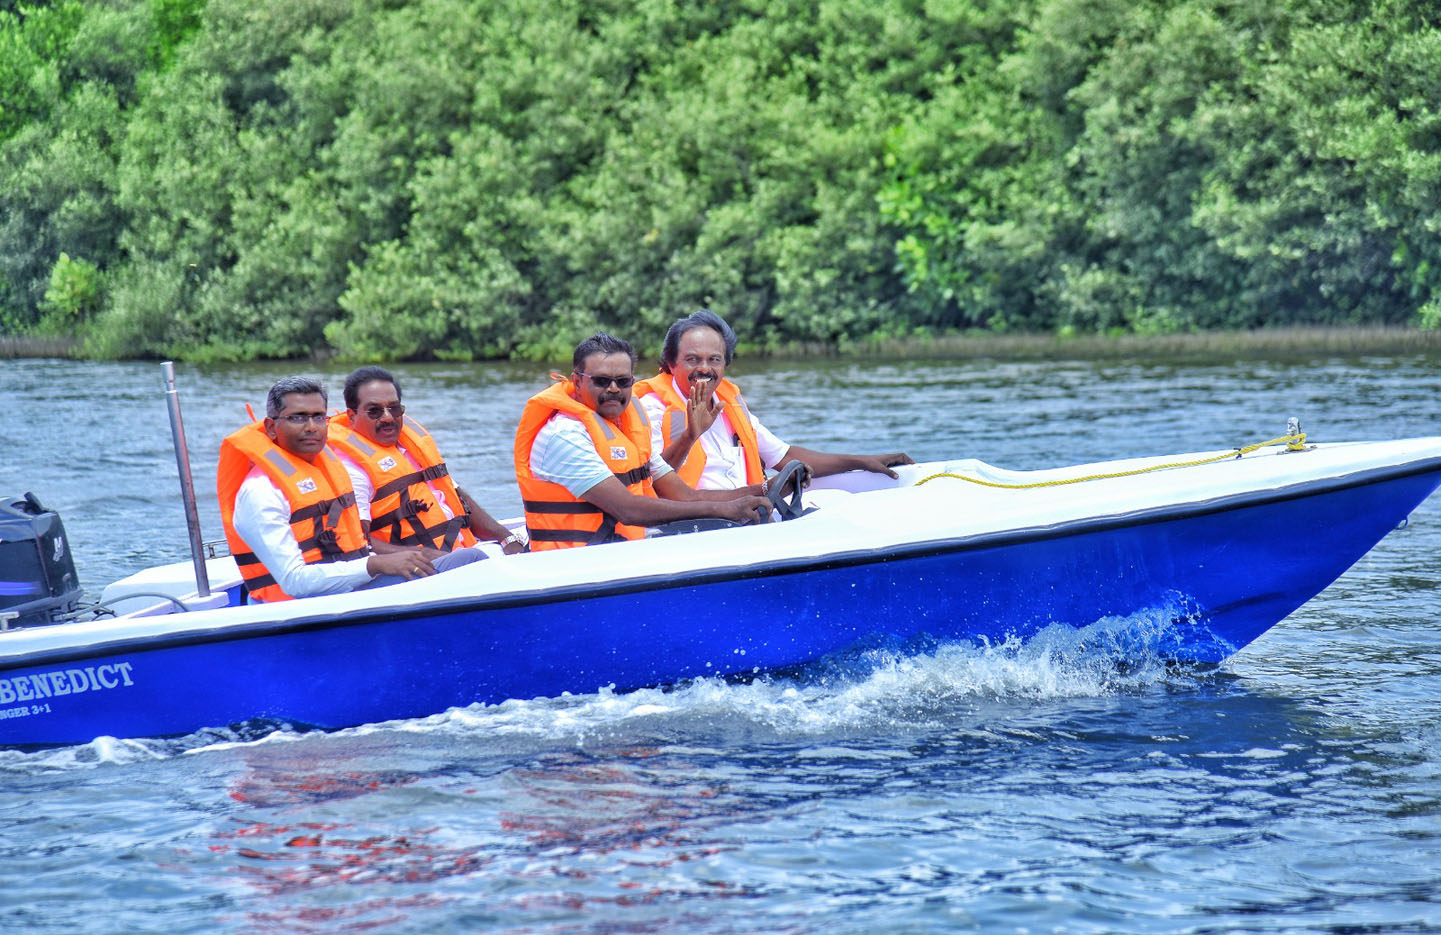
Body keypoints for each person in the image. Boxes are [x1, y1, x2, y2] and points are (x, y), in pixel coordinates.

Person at [217, 377, 481, 602]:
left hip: (351, 591)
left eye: (318, 417)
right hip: (305, 612)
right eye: (297, 418)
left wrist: (405, 557)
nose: (311, 426)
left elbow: (353, 544)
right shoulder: (260, 493)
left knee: (469, 560)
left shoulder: (329, 471)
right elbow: (294, 581)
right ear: (272, 427)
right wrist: (374, 563)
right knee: (468, 565)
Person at [513, 333, 773, 550]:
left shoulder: (628, 429)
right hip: (576, 568)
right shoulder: (565, 436)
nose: (613, 389)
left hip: (622, 552)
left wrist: (765, 490)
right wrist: (724, 511)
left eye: (623, 381)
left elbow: (683, 496)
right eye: (602, 381)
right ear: (578, 382)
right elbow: (629, 510)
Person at [633, 309, 914, 490]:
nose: (704, 368)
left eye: (714, 360)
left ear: (725, 364)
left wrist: (862, 461)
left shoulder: (729, 403)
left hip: (750, 514)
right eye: (692, 360)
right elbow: (653, 482)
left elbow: (784, 456)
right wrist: (690, 436)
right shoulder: (652, 408)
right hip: (697, 526)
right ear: (671, 363)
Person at [328, 366, 525, 559]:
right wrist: (420, 555)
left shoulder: (414, 450)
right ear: (352, 416)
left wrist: (505, 537)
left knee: (532, 537)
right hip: (421, 569)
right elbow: (358, 541)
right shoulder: (353, 470)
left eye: (394, 408)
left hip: (464, 551)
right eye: (374, 411)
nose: (387, 417)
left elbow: (457, 498)